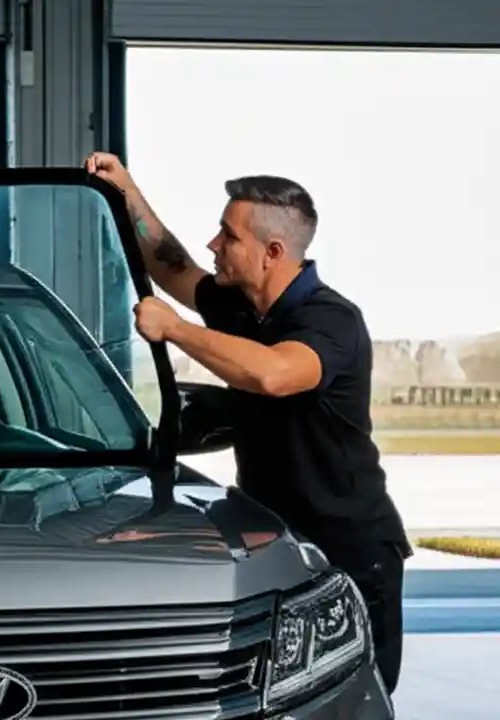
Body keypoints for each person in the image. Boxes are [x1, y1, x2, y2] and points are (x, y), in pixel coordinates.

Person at [83, 151, 411, 694]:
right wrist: (126, 190)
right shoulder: (239, 305)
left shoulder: (331, 319)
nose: (215, 245)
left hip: (349, 549)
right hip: (274, 539)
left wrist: (177, 331)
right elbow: (171, 266)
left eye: (228, 236)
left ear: (272, 252)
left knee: (350, 696)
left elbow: (275, 374)